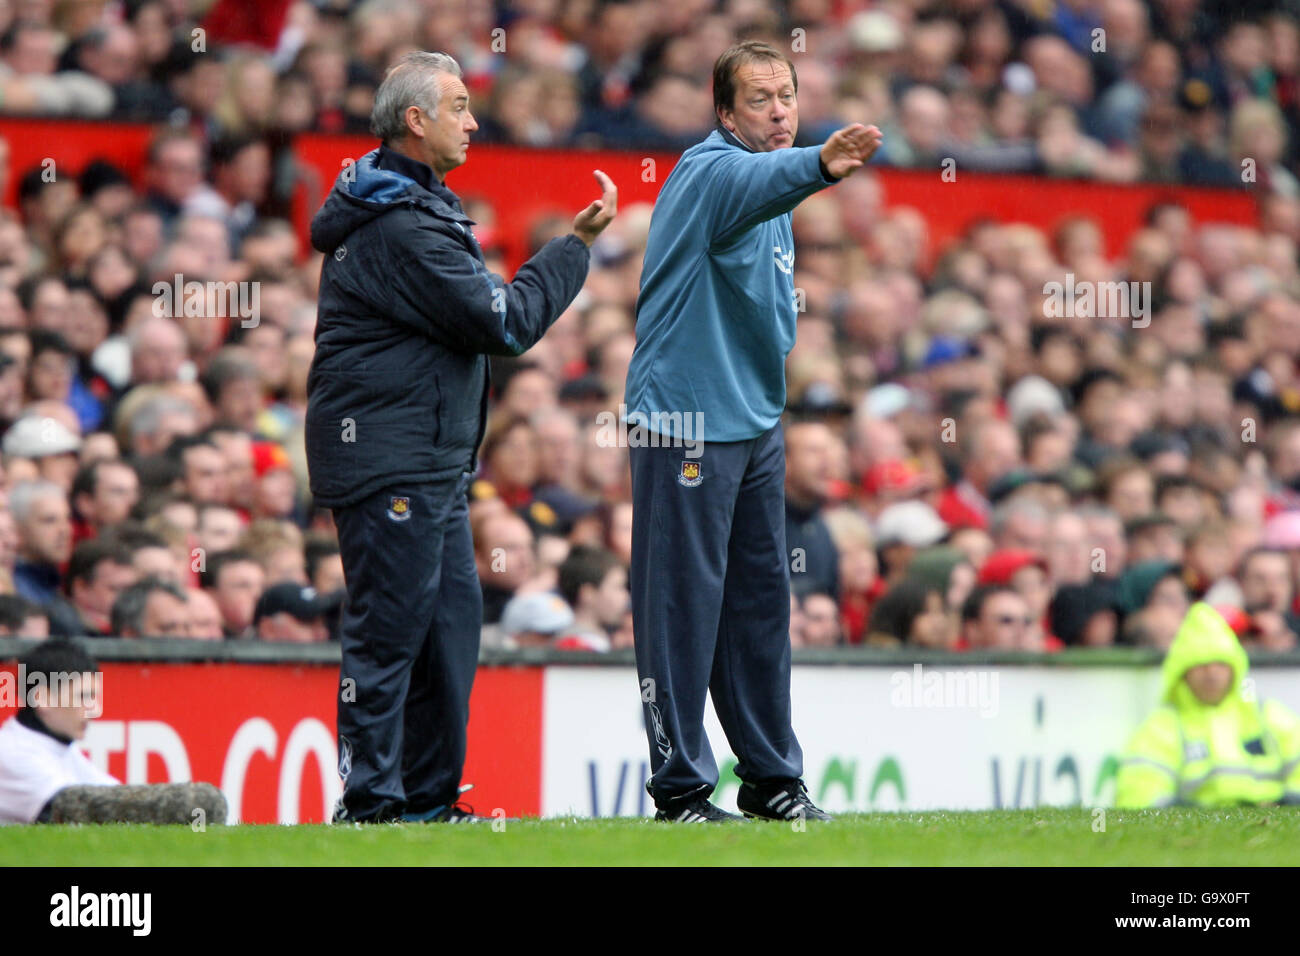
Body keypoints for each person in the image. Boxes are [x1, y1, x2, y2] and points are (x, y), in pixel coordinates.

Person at [305, 51, 616, 824]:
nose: (475, 121)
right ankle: (372, 802)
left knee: (447, 631)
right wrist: (572, 249)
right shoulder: (402, 226)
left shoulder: (414, 207)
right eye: (459, 106)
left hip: (431, 461)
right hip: (389, 458)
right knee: (391, 631)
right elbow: (504, 323)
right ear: (416, 120)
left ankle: (429, 799)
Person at [622, 40, 880, 823]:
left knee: (760, 606)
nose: (779, 111)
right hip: (688, 421)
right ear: (725, 113)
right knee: (680, 611)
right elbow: (756, 177)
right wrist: (819, 164)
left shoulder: (767, 189)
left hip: (756, 420)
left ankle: (771, 779)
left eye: (788, 96)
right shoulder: (712, 172)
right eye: (761, 99)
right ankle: (681, 791)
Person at [0, 639, 226, 824]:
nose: (94, 710)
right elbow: (74, 808)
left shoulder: (56, 746)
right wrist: (188, 802)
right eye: (83, 697)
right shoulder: (11, 752)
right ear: (42, 699)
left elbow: (113, 792)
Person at [1116, 602, 1300, 807]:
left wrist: (1287, 802)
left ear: (1235, 669)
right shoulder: (1160, 728)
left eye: (1220, 664)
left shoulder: (1266, 714)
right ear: (1182, 673)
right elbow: (1139, 794)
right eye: (1201, 665)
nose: (1212, 674)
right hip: (1193, 836)